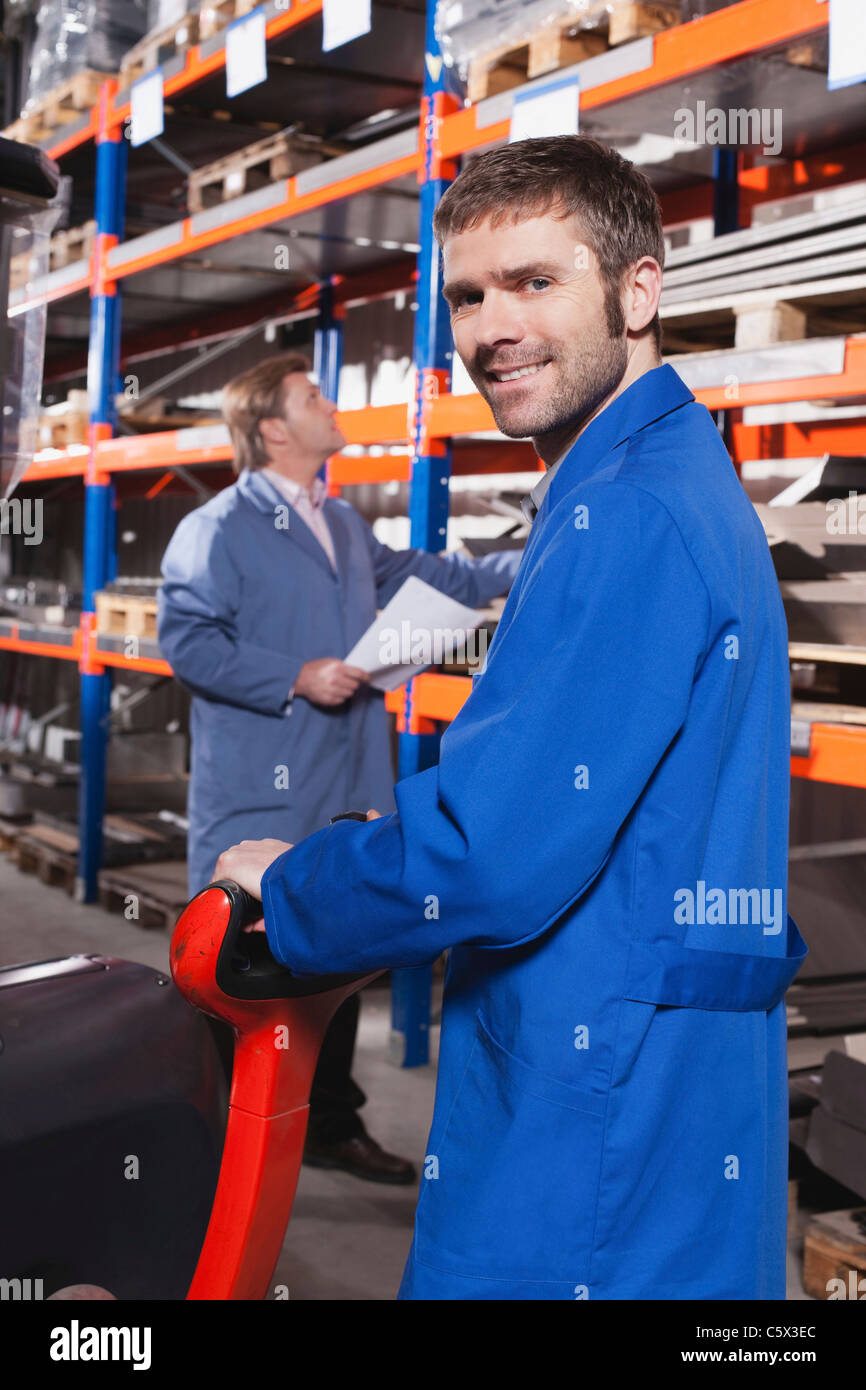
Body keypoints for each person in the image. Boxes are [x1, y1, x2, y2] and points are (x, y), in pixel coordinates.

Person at [214, 136, 807, 1299]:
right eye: (470, 295)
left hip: (597, 1111)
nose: (491, 326)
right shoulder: (644, 481)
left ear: (637, 291)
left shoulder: (630, 516)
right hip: (648, 1081)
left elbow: (493, 852)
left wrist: (292, 894)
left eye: (535, 282)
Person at [157, 353, 522, 1184]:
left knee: (336, 950)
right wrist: (297, 674)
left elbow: (445, 578)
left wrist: (544, 552)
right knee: (238, 966)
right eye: (314, 395)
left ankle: (328, 1124)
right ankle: (205, 1143)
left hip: (344, 782)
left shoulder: (343, 524)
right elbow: (188, 642)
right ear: (275, 428)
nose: (332, 403)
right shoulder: (215, 528)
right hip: (262, 784)